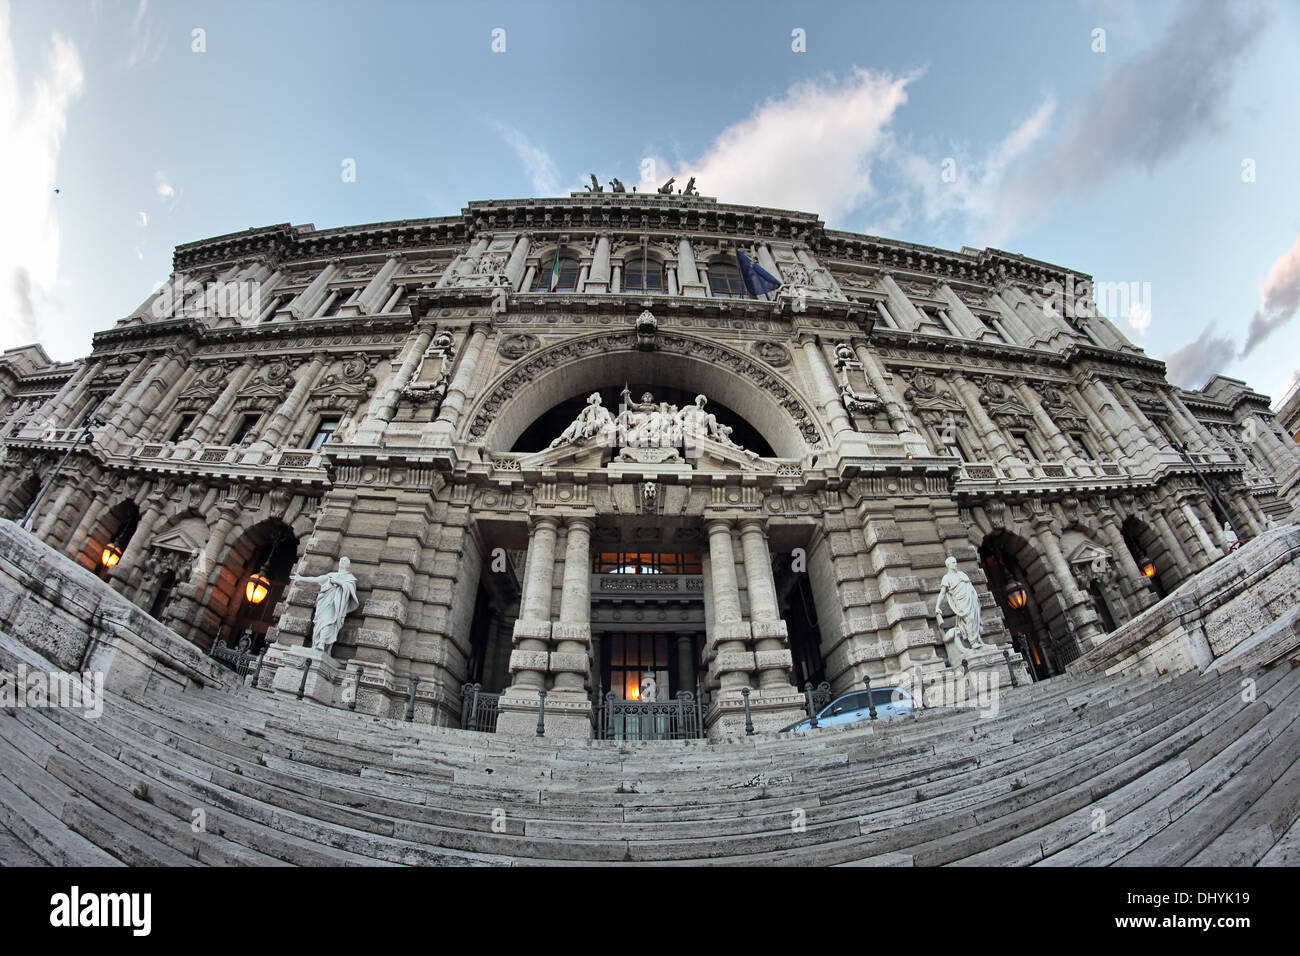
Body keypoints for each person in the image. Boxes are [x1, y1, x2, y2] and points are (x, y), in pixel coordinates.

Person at [291, 557, 360, 654]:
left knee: (328, 622)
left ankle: (322, 643)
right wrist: (301, 578)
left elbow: (349, 591)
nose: (343, 562)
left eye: (346, 561)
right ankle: (317, 643)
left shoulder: (350, 578)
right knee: (320, 622)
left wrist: (338, 582)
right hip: (324, 604)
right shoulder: (331, 575)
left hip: (335, 606)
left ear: (348, 565)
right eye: (342, 560)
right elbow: (316, 579)